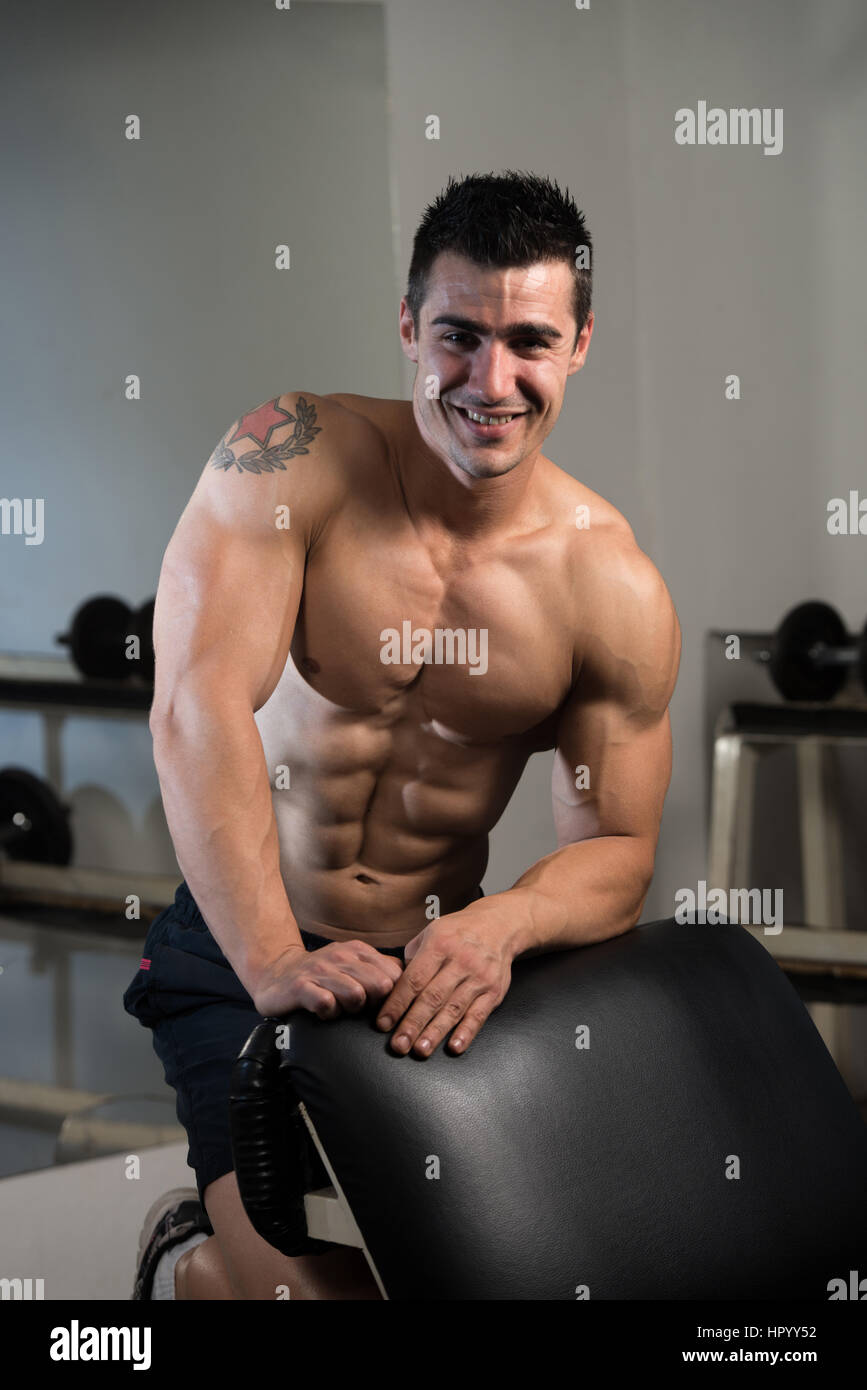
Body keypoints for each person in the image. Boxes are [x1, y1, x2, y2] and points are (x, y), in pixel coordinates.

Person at [124, 170, 681, 1301]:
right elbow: (195, 704)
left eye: (529, 341)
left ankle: (219, 1268)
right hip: (243, 950)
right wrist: (273, 958)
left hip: (428, 967)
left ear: (579, 344)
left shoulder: (608, 585)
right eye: (458, 336)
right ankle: (195, 1261)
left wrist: (504, 925)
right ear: (407, 326)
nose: (490, 381)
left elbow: (618, 846)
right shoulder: (292, 460)